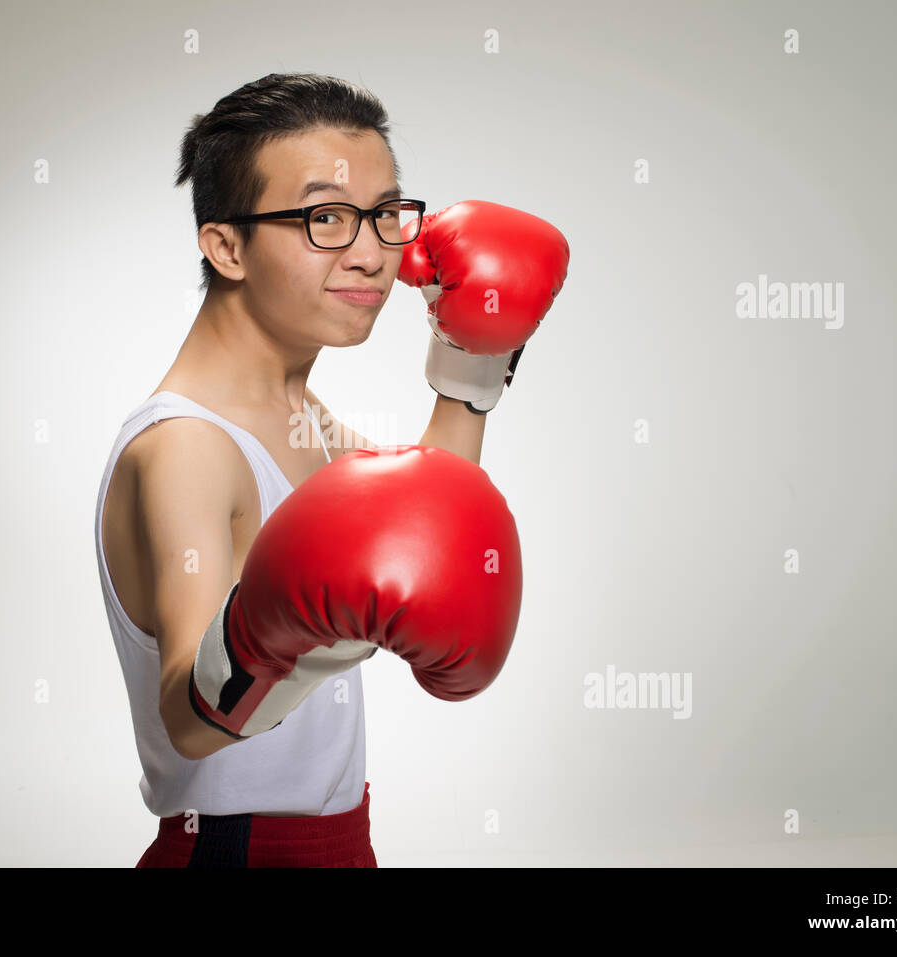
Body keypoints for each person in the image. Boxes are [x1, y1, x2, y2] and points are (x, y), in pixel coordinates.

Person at [92, 72, 568, 867]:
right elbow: (188, 714)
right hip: (238, 852)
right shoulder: (186, 445)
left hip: (338, 841)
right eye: (325, 218)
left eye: (385, 215)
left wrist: (473, 355)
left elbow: (422, 526)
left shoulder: (304, 420)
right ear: (226, 245)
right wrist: (300, 633)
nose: (373, 253)